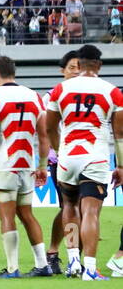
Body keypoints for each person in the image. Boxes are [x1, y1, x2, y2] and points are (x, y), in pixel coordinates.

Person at [44, 43, 123, 281]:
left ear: (78, 64)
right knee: (90, 211)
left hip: (68, 154)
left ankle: (73, 262)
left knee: (68, 206)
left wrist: (60, 149)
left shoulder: (60, 89)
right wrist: (120, 165)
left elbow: (49, 127)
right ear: (98, 64)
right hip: (95, 155)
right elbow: (119, 134)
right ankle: (90, 268)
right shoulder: (112, 91)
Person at [0, 56, 53, 277]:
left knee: (6, 215)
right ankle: (42, 265)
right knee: (27, 214)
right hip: (27, 163)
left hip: (5, 164)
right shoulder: (34, 96)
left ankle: (12, 268)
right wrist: (42, 165)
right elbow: (44, 134)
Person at [45, 49, 81, 274]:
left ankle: (77, 257)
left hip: (89, 158)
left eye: (79, 67)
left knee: (84, 208)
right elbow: (46, 128)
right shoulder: (52, 95)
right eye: (72, 68)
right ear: (62, 71)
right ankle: (55, 251)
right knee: (69, 207)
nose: (76, 72)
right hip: (62, 158)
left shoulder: (94, 93)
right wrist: (53, 153)